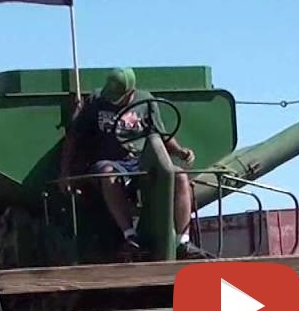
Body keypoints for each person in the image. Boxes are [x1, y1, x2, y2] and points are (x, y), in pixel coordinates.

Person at [59, 68, 207, 258]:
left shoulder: (146, 101)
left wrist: (179, 151)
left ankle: (183, 242)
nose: (112, 98)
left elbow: (160, 135)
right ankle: (131, 237)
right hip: (111, 161)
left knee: (178, 176)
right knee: (108, 173)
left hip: (141, 161)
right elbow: (74, 138)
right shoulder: (96, 101)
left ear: (130, 92)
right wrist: (65, 172)